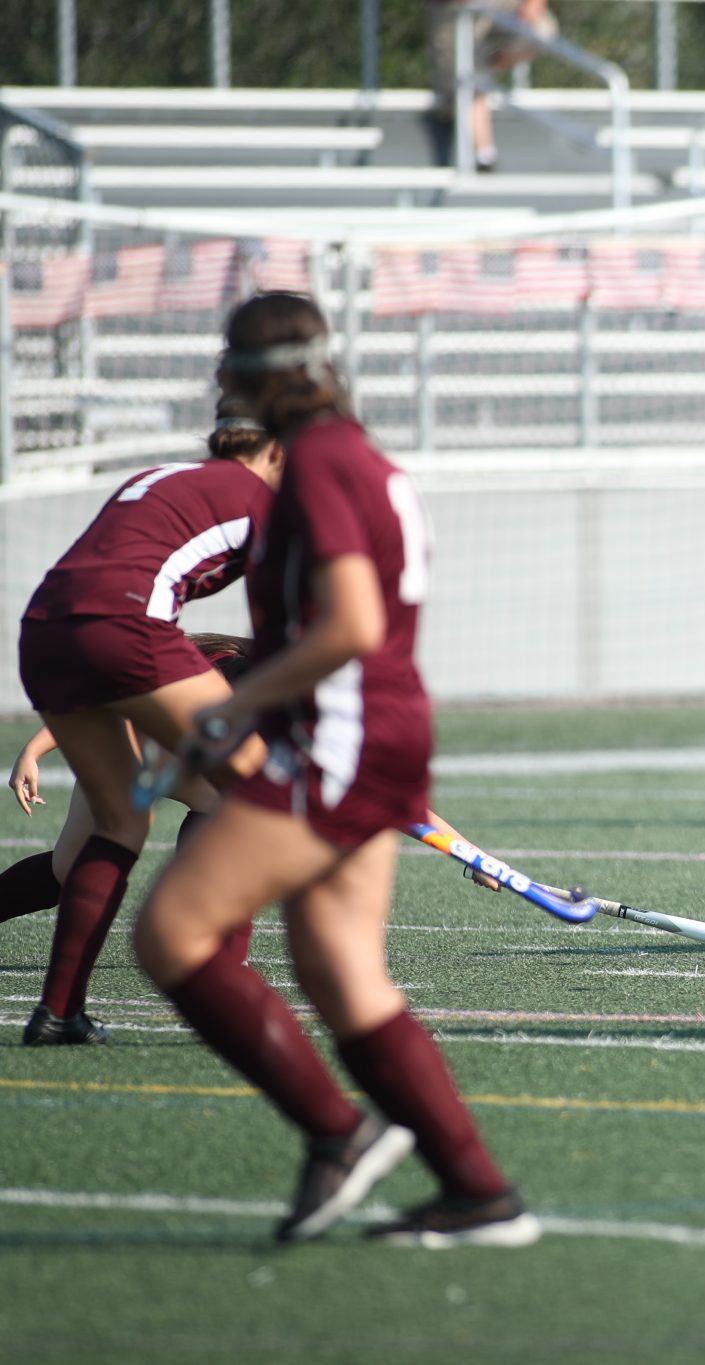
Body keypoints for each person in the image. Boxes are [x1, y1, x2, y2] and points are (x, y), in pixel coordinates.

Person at [131, 292, 538, 1248]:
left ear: (264, 373)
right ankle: (481, 1194)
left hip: (343, 740)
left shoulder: (314, 463)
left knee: (171, 933)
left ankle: (338, 1132)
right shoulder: (357, 456)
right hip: (377, 730)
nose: (223, 382)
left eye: (232, 365)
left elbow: (351, 623)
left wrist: (230, 704)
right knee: (340, 972)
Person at [12, 400, 283, 1046]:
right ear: (276, 449)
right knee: (251, 798)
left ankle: (59, 1013)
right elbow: (283, 639)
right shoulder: (263, 505)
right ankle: (216, 974)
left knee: (110, 830)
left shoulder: (160, 476)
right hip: (129, 626)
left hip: (44, 627)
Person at [4, 633, 260, 1036]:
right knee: (68, 870)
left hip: (192, 775)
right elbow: (99, 702)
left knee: (228, 841)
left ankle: (228, 969)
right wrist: (32, 751)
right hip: (128, 760)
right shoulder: (204, 670)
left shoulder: (286, 690)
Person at [426, 0, 557, 171]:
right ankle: (484, 152)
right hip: (452, 10)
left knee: (542, 29)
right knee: (463, 78)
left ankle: (484, 152)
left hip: (494, 6)